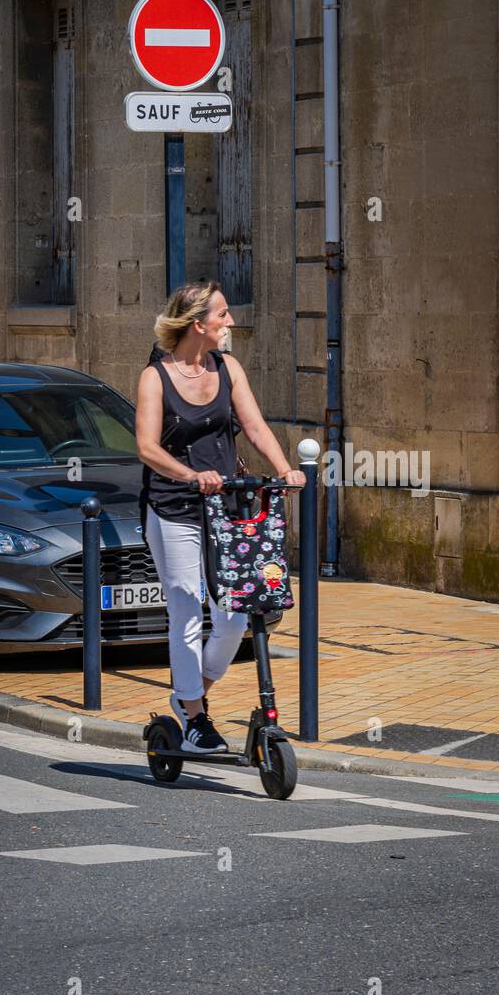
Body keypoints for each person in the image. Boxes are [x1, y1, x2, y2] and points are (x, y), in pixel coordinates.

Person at [136, 282, 306, 752]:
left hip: (226, 505)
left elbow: (254, 426)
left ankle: (190, 695)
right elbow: (147, 448)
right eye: (223, 314)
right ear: (198, 324)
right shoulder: (156, 378)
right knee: (187, 607)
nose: (230, 322)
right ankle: (195, 719)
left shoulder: (228, 368)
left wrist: (285, 470)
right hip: (173, 506)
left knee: (234, 615)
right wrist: (191, 475)